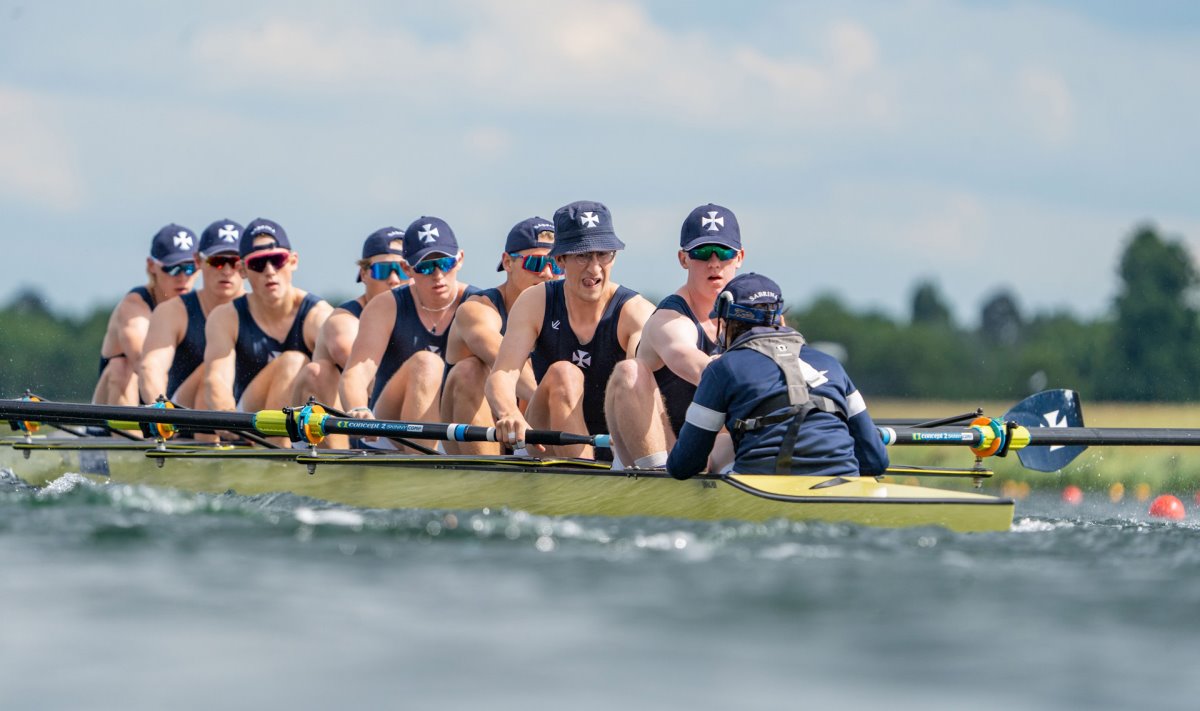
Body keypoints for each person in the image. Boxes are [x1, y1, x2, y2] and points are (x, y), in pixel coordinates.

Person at [666, 273, 889, 479]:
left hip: (763, 487)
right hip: (843, 480)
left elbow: (684, 465)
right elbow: (876, 461)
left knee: (721, 449)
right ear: (781, 320)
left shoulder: (722, 369)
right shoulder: (832, 364)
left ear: (728, 325)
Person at [486, 200, 654, 459]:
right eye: (583, 255)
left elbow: (638, 386)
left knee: (633, 374)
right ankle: (582, 472)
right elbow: (502, 375)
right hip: (545, 439)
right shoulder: (535, 301)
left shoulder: (635, 311)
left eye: (603, 254)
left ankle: (648, 468)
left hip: (616, 442)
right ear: (560, 259)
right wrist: (509, 413)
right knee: (564, 373)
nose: (595, 268)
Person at [605, 203, 743, 469]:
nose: (714, 262)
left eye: (724, 252)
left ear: (739, 257)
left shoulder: (756, 315)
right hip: (659, 450)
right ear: (683, 259)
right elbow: (686, 356)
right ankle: (659, 475)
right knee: (629, 372)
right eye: (701, 252)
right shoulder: (669, 318)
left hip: (711, 452)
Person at [339, 217, 477, 443]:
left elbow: (507, 368)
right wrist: (358, 408)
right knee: (426, 363)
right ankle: (426, 464)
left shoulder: (479, 304)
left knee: (472, 370)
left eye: (444, 263)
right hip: (391, 428)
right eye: (424, 266)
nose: (437, 275)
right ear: (407, 268)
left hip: (456, 422)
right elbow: (356, 372)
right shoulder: (385, 306)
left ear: (459, 259)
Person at [441, 216, 560, 455]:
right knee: (470, 370)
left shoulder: (572, 312)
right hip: (473, 435)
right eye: (536, 264)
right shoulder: (477, 309)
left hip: (531, 433)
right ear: (508, 262)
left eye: (555, 264)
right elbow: (504, 363)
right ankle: (488, 480)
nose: (547, 273)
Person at [202, 218, 332, 416]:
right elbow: (216, 380)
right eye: (259, 263)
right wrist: (227, 419)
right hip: (248, 416)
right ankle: (278, 445)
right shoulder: (226, 317)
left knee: (321, 372)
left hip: (307, 411)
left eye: (277, 260)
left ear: (293, 261)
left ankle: (339, 445)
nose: (270, 271)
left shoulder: (319, 315)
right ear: (243, 270)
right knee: (293, 362)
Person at [138, 219, 246, 407]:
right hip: (183, 418)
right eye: (218, 262)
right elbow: (151, 368)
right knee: (213, 372)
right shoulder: (173, 312)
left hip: (243, 418)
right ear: (199, 261)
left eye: (235, 262)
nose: (227, 271)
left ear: (245, 265)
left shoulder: (260, 309)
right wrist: (161, 414)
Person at [93, 224, 198, 405]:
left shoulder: (203, 305)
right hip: (123, 407)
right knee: (121, 367)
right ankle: (133, 432)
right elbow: (145, 367)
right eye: (173, 268)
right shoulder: (134, 307)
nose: (183, 277)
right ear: (151, 266)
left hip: (167, 404)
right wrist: (167, 420)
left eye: (189, 268)